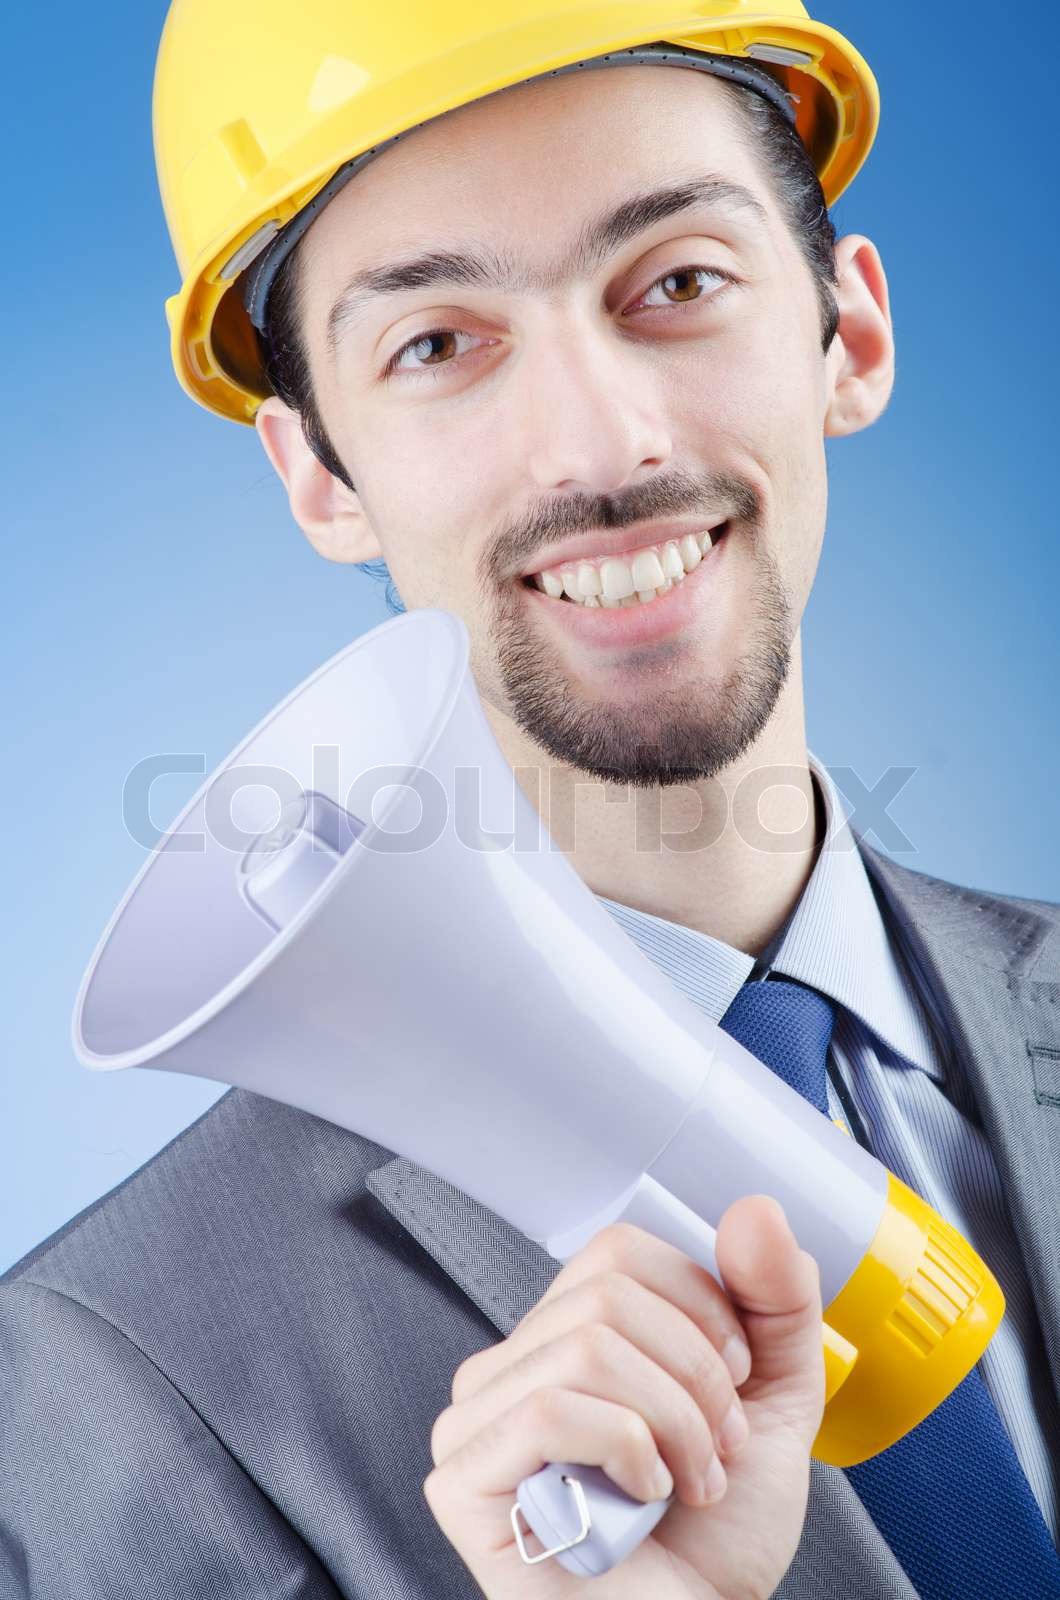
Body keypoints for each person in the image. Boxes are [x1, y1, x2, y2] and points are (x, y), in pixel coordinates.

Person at [2, 1, 1058, 1595]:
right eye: (436, 344)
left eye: (679, 282)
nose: (600, 440)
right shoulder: (103, 1394)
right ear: (321, 477)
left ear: (849, 333)